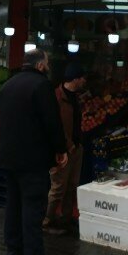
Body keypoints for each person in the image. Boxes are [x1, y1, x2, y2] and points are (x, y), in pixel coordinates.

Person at [0, 49, 68, 255]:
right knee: (33, 207)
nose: (48, 66)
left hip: (8, 157)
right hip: (32, 159)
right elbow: (52, 122)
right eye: (46, 62)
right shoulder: (41, 85)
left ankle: (13, 252)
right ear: (40, 66)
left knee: (13, 205)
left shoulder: (8, 84)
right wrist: (60, 149)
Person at [43, 62, 87, 235]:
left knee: (72, 185)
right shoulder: (56, 97)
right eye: (82, 78)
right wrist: (66, 146)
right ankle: (47, 220)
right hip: (62, 150)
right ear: (75, 79)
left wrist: (77, 144)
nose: (84, 81)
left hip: (76, 148)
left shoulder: (76, 97)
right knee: (58, 187)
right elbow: (56, 126)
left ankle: (66, 219)